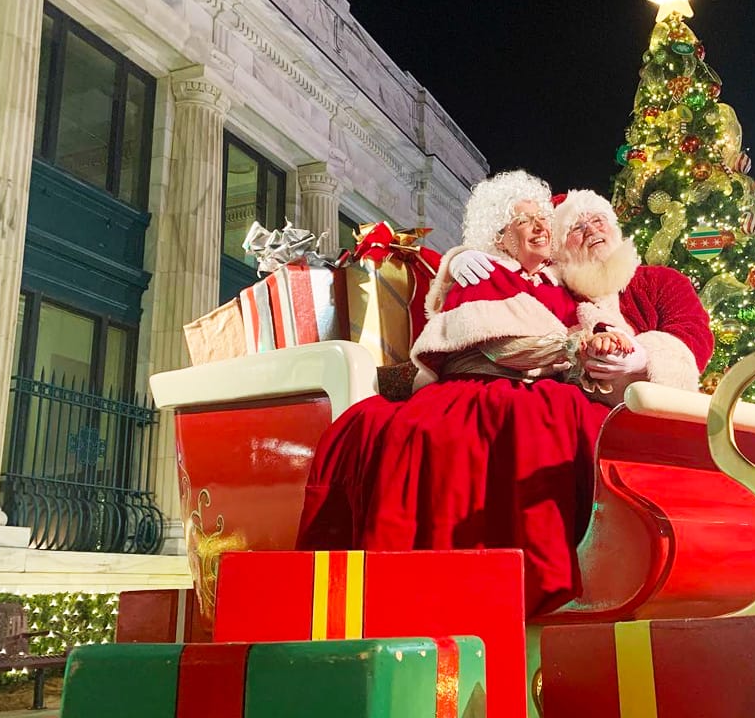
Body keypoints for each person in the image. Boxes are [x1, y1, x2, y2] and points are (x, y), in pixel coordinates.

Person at [296, 171, 622, 616]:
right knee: (505, 430)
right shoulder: (483, 275)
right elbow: (497, 342)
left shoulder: (560, 286)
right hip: (482, 387)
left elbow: (594, 322)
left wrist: (601, 340)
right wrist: (572, 347)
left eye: (543, 218)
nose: (541, 227)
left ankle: (593, 574)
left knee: (589, 423)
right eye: (524, 221)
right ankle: (488, 589)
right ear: (501, 237)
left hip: (548, 388)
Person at [451, 188, 713, 401]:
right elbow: (510, 266)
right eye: (576, 228)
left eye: (598, 220)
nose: (591, 230)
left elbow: (694, 333)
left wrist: (644, 358)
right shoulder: (556, 289)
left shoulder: (661, 280)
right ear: (560, 249)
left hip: (662, 408)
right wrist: (460, 256)